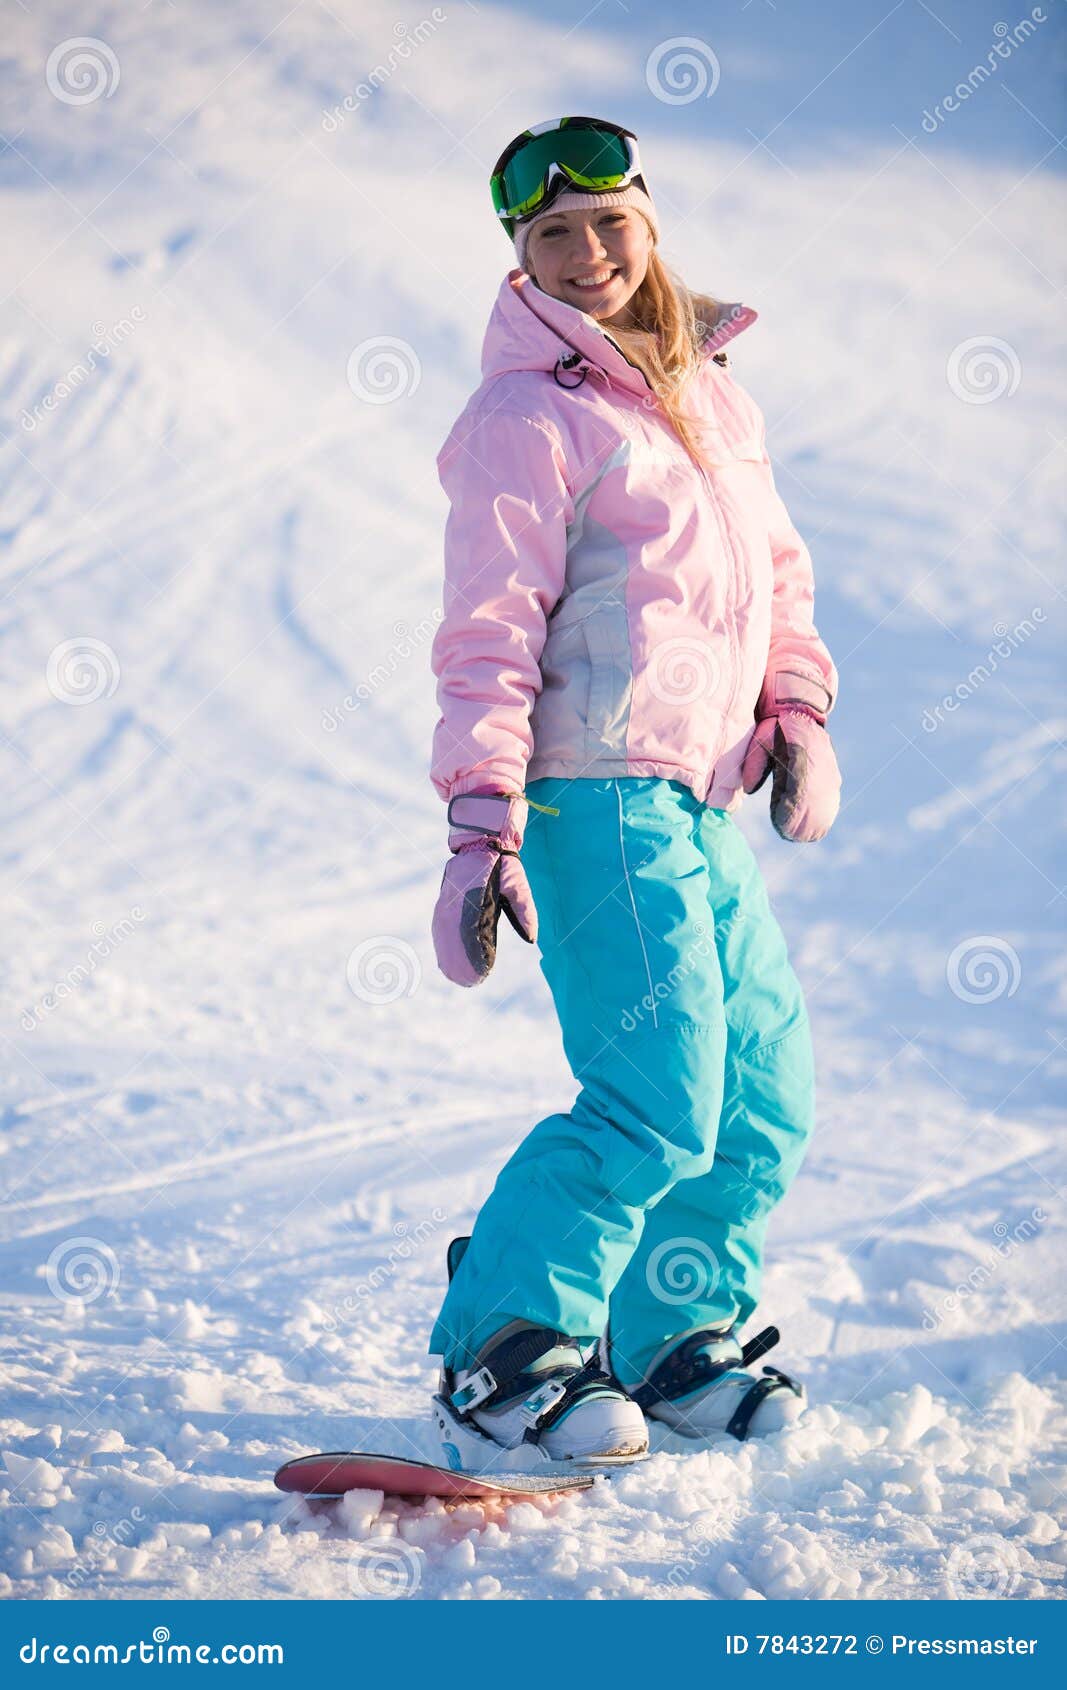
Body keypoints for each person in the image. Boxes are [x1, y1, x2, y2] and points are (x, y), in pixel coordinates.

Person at [427, 117, 842, 1467]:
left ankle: (671, 1332)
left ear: (650, 220)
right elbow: (490, 625)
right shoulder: (523, 415)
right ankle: (503, 1337)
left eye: (607, 221)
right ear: (522, 258)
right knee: (658, 1090)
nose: (586, 250)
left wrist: (796, 709)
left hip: (701, 803)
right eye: (552, 234)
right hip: (590, 794)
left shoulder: (713, 394)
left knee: (763, 1096)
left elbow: (778, 575)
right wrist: (481, 826)